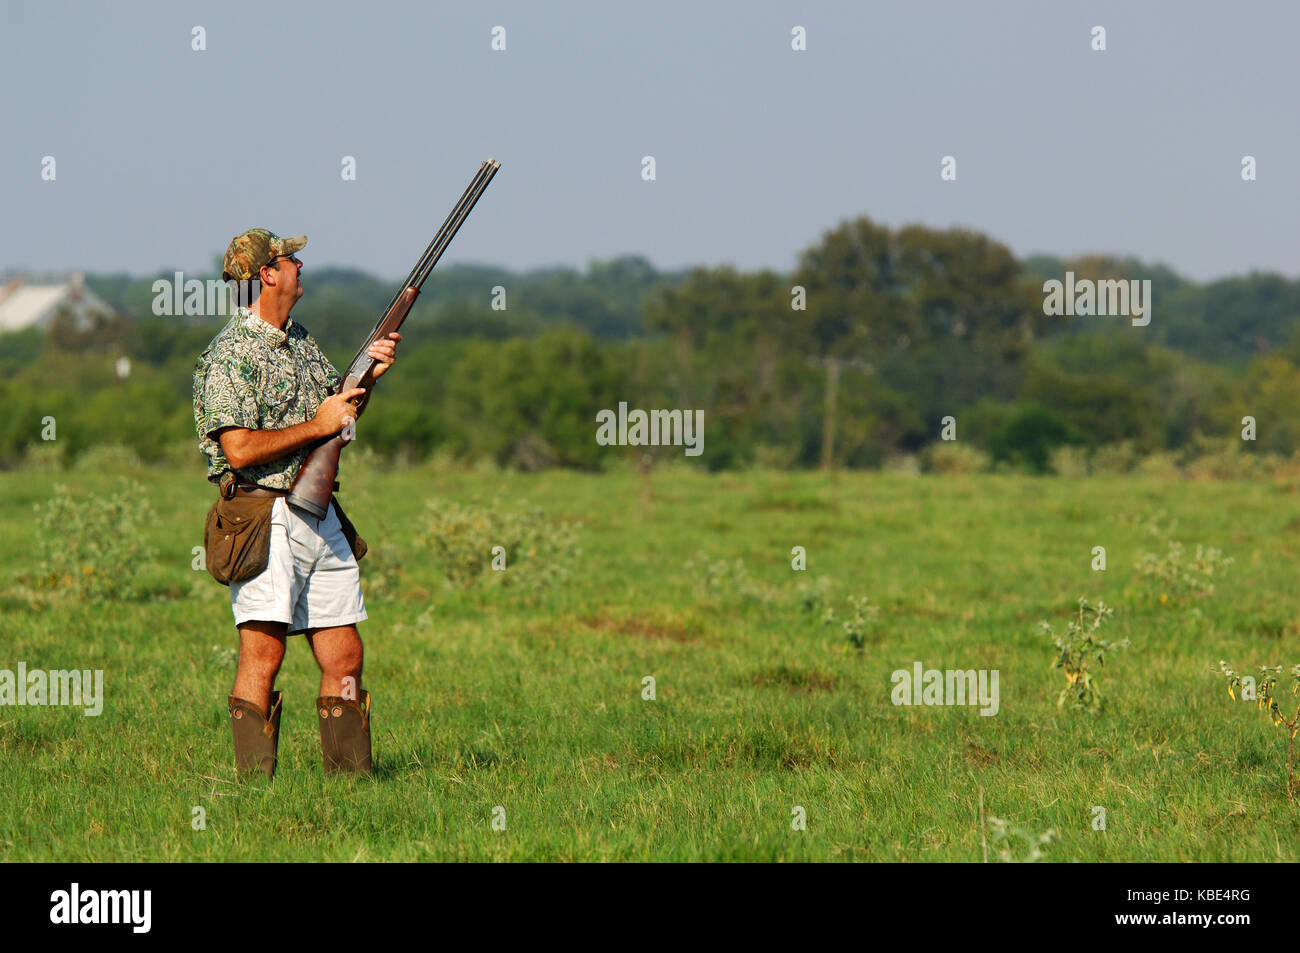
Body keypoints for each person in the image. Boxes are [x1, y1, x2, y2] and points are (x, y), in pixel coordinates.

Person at [192, 227, 400, 780]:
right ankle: (256, 792)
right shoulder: (229, 356)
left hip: (317, 512)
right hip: (263, 516)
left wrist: (369, 379)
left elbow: (338, 417)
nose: (300, 264)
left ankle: (352, 786)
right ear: (267, 273)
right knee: (264, 655)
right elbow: (237, 449)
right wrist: (318, 422)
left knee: (346, 656)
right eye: (290, 258)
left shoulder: (300, 339)